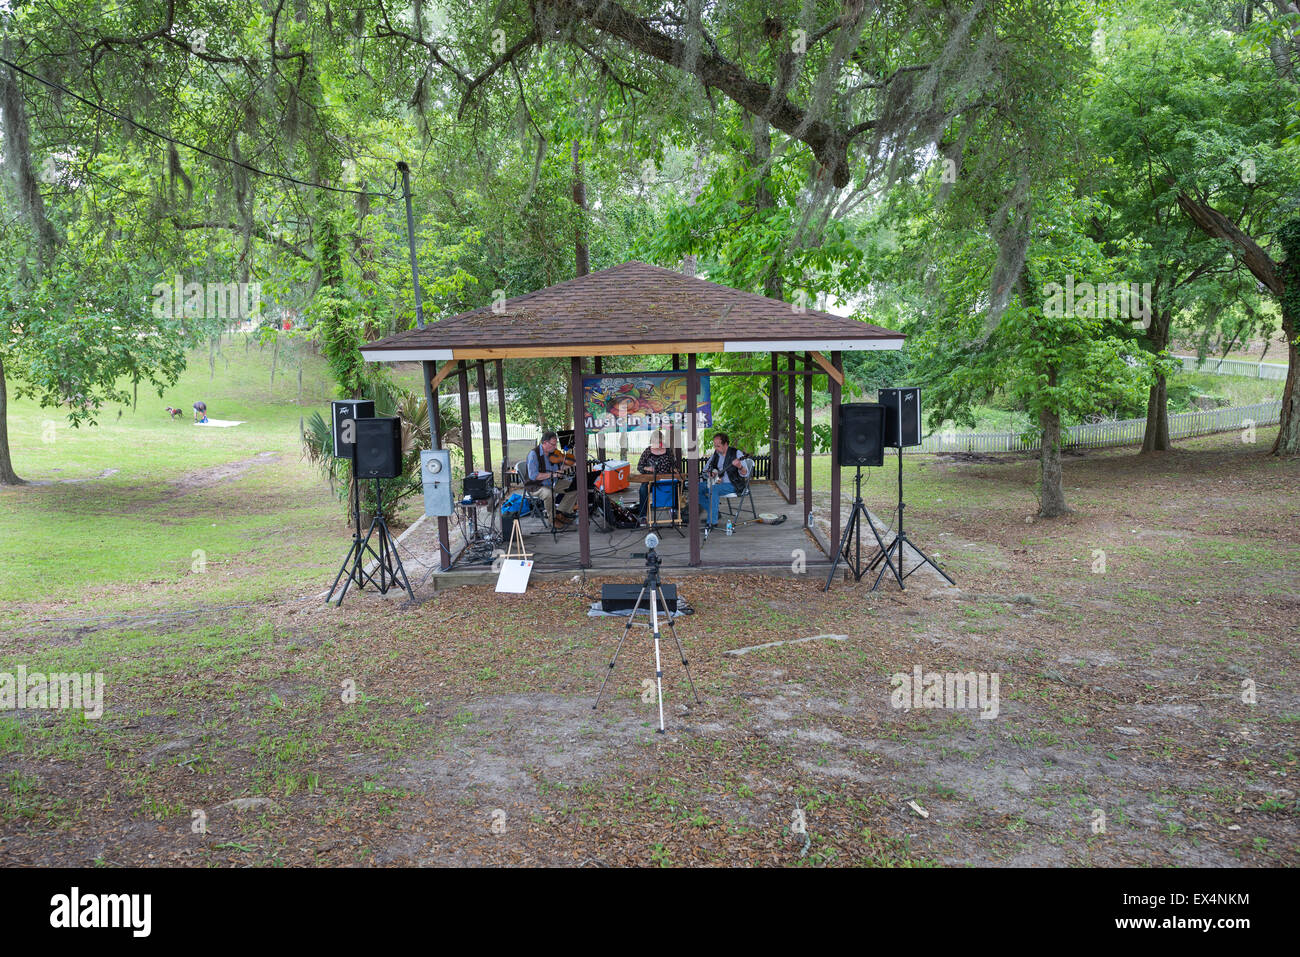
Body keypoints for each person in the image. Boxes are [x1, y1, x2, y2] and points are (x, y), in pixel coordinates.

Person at [522, 430, 577, 525]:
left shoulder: (553, 453)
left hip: (553, 483)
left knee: (575, 486)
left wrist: (572, 464)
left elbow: (560, 467)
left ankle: (560, 513)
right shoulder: (534, 455)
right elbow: (534, 476)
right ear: (544, 443)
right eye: (553, 444)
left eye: (556, 444)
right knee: (548, 493)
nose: (555, 447)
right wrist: (553, 474)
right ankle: (552, 520)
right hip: (536, 486)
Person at [698, 431, 750, 529]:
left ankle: (712, 522)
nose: (716, 448)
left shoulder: (736, 453)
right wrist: (711, 474)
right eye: (715, 446)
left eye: (718, 446)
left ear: (725, 444)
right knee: (695, 488)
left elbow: (745, 473)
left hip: (733, 484)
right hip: (716, 483)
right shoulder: (716, 454)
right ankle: (713, 512)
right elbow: (705, 470)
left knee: (714, 489)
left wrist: (739, 466)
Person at [635, 430, 677, 521]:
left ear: (661, 441)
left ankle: (674, 510)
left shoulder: (668, 451)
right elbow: (639, 467)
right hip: (650, 480)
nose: (655, 444)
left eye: (657, 442)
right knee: (643, 489)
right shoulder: (647, 451)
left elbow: (674, 465)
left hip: (664, 480)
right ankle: (643, 516)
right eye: (653, 442)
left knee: (676, 485)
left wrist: (673, 469)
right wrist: (648, 468)